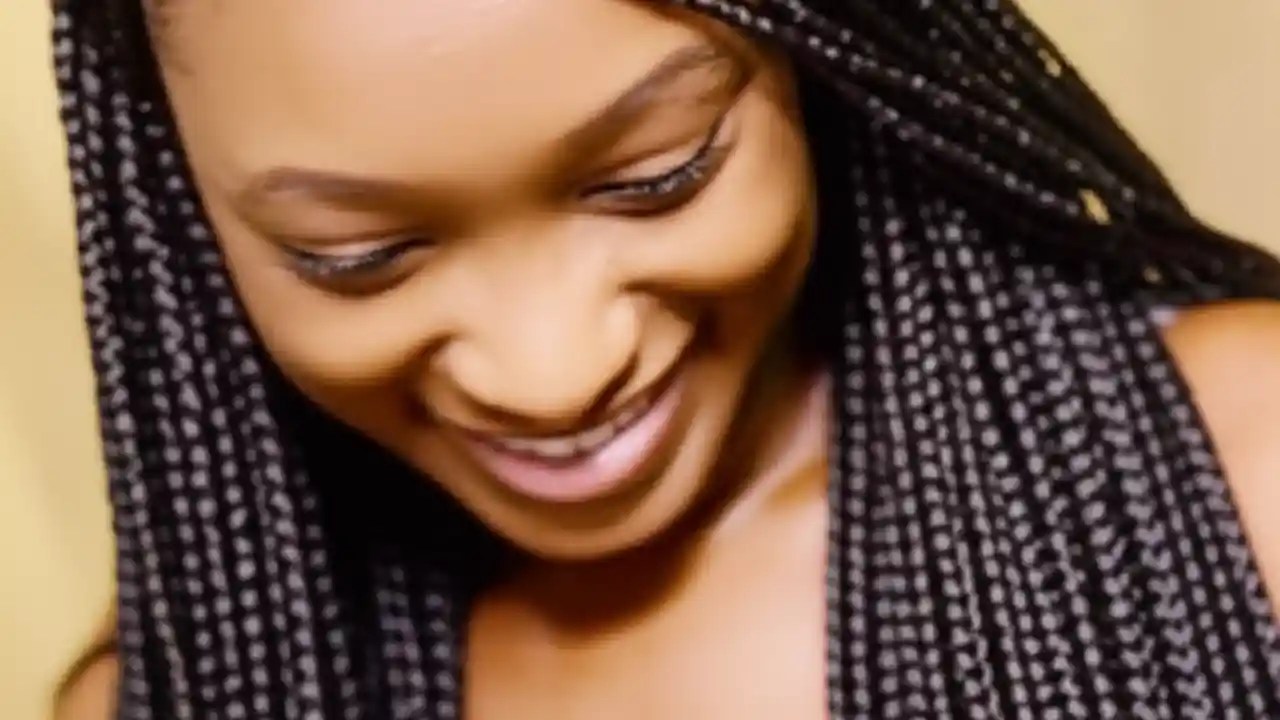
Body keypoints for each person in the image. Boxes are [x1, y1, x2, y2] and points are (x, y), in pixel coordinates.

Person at [50, 0, 1280, 717]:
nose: (549, 369)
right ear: (173, 210)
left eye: (658, 178)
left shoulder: (1240, 475)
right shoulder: (192, 688)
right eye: (359, 258)